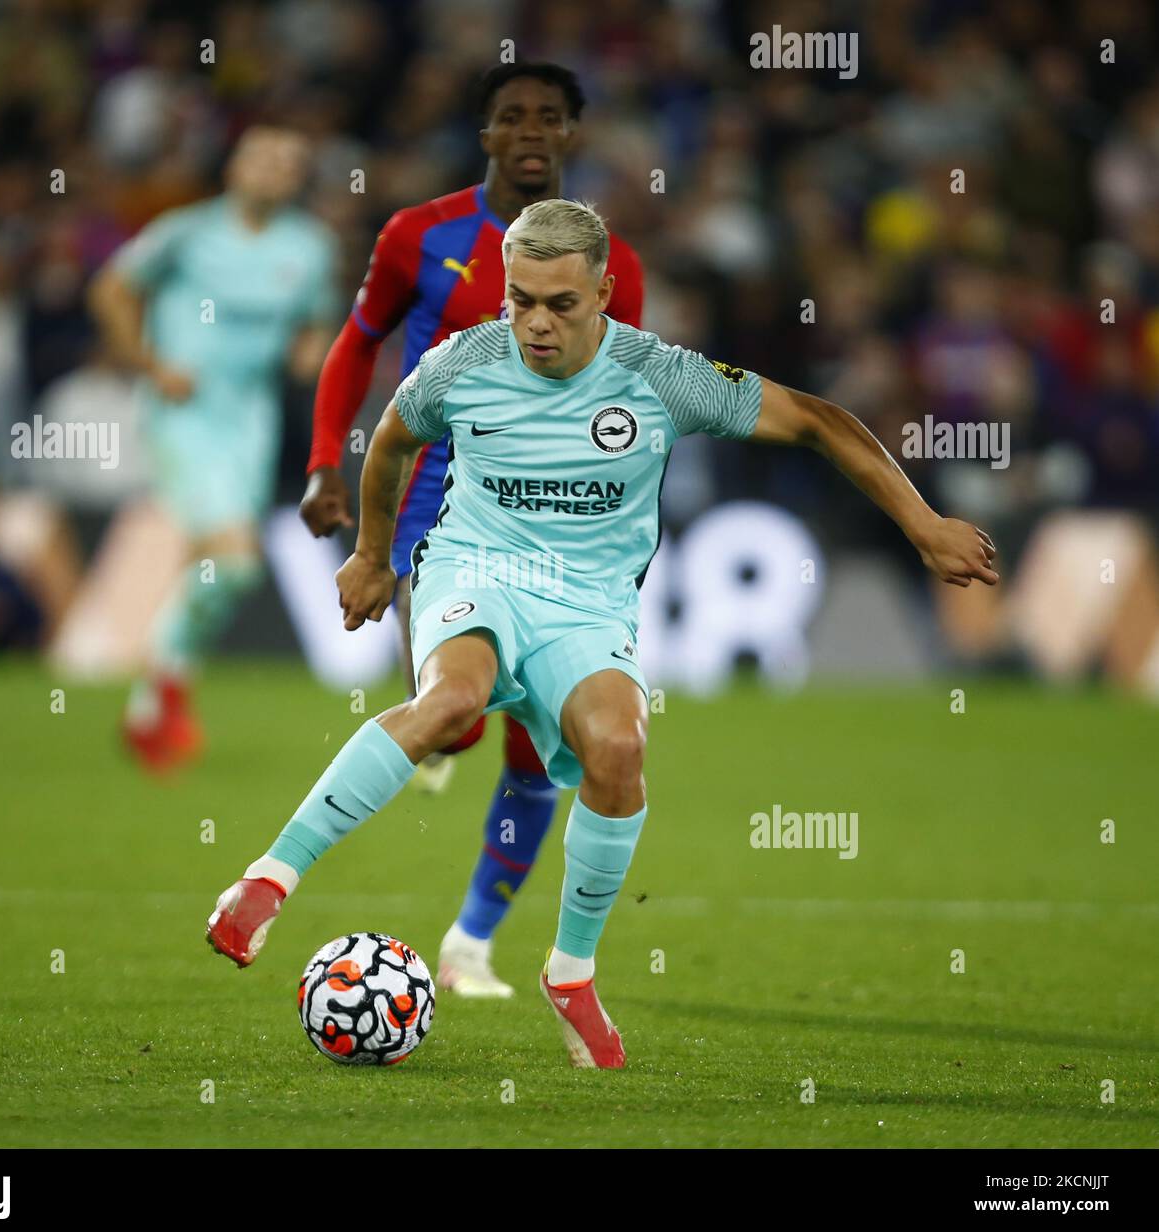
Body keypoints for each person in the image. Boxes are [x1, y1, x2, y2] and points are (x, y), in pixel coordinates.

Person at [207, 198, 998, 1069]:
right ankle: (268, 878)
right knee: (452, 700)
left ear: (605, 293)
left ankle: (571, 972)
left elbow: (814, 419)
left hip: (588, 604)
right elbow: (392, 439)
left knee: (620, 749)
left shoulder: (659, 374)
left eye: (560, 303)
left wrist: (921, 521)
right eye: (519, 300)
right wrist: (370, 553)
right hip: (476, 567)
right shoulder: (460, 362)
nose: (535, 323)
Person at [299, 62, 643, 997]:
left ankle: (472, 942)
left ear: (572, 133)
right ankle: (441, 748)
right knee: (451, 722)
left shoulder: (612, 267)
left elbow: (627, 405)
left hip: (556, 522)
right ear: (486, 134)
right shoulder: (420, 234)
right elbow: (357, 340)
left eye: (549, 117)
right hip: (430, 500)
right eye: (510, 117)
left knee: (542, 745)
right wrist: (326, 457)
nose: (531, 131)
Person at [88, 126, 338, 770]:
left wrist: (310, 354)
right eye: (262, 156)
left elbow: (316, 319)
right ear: (233, 166)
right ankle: (163, 693)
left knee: (222, 564)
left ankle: (153, 706)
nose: (274, 169)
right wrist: (148, 363)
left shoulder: (309, 247)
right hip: (185, 412)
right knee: (233, 560)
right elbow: (111, 290)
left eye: (289, 161)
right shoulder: (186, 232)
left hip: (251, 418)